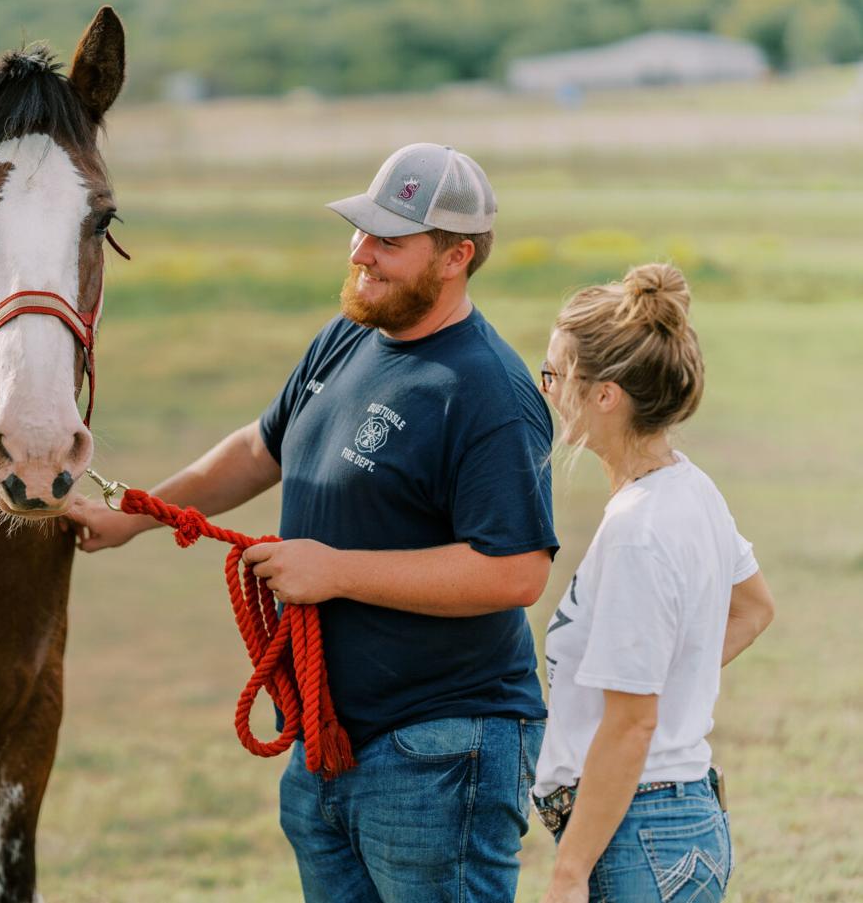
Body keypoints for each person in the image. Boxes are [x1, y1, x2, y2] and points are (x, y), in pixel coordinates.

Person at [70, 143, 559, 902]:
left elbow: (516, 571)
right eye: (361, 231)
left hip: (438, 751)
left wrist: (334, 570)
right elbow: (260, 446)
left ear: (457, 255)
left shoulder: (488, 391)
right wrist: (137, 513)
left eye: (390, 241)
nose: (362, 253)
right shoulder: (350, 336)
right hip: (327, 741)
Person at [531, 263, 776, 902]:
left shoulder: (637, 531)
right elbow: (753, 609)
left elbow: (632, 725)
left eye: (555, 374)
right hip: (677, 822)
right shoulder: (692, 488)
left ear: (605, 394)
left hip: (639, 833)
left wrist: (569, 872)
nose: (547, 390)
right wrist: (675, 678)